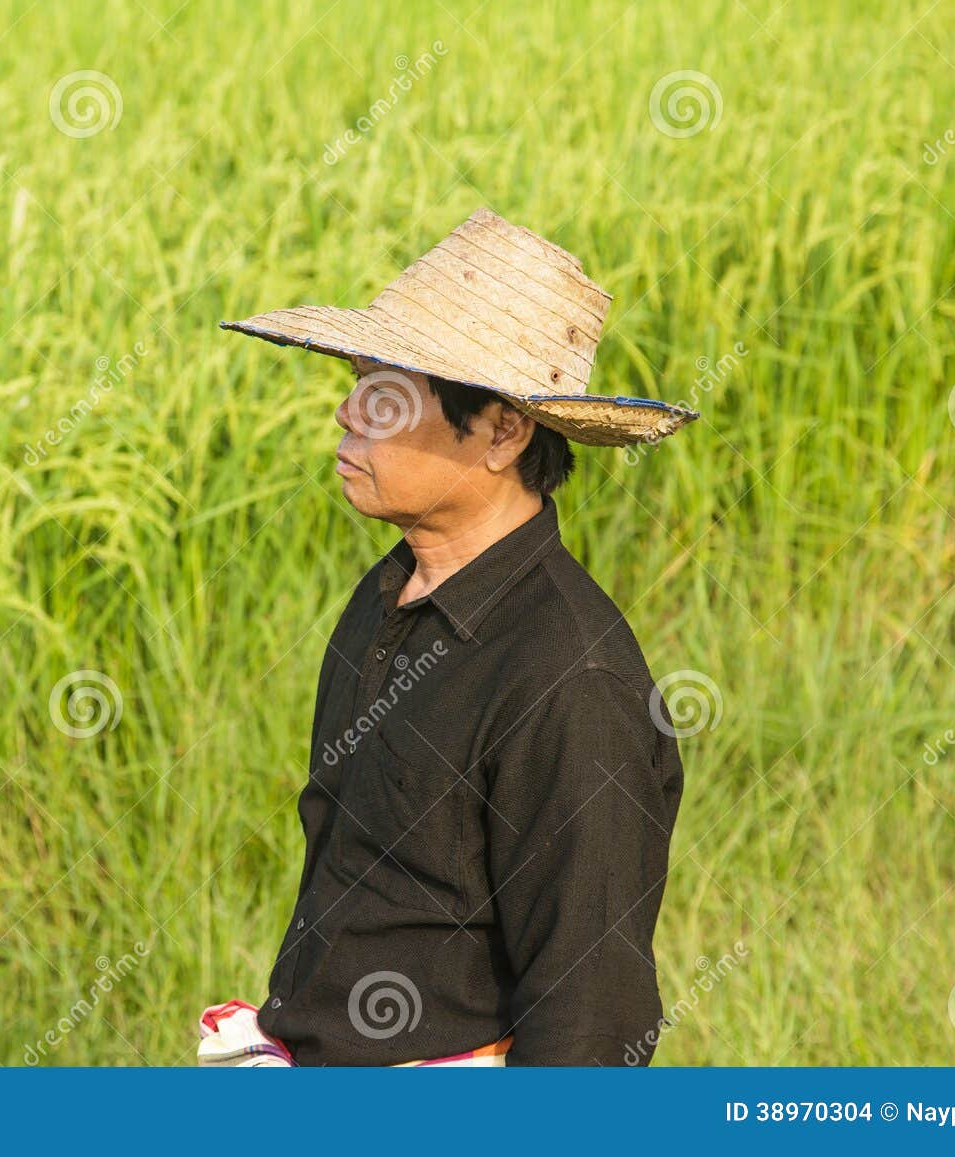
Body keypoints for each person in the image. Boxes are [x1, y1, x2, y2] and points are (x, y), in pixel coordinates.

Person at [213, 207, 699, 1066]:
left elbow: (592, 1012)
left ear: (503, 432)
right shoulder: (388, 591)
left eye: (388, 391)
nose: (346, 409)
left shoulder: (569, 681)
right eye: (359, 378)